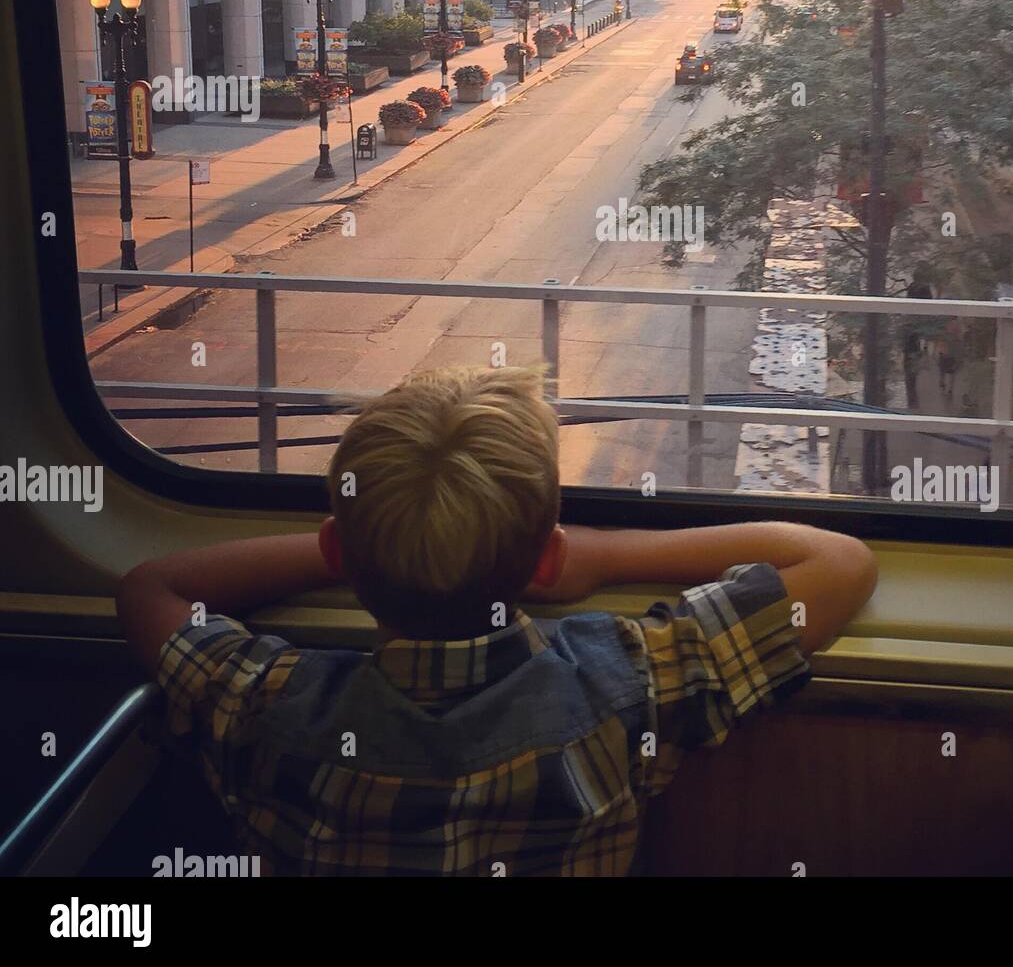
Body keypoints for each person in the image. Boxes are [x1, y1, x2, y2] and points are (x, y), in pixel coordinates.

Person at [116, 366, 877, 877]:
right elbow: (838, 564)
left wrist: (358, 549)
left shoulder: (262, 704)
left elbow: (153, 587)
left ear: (335, 551)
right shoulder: (629, 690)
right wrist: (603, 557)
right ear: (548, 561)